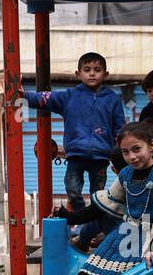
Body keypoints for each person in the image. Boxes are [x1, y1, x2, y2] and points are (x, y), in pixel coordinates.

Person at [50, 122, 153, 275]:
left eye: (137, 149)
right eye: (126, 152)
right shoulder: (126, 175)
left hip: (151, 236)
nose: (132, 156)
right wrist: (69, 217)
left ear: (152, 145)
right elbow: (102, 206)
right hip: (124, 235)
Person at [24, 52, 126, 210]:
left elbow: (120, 128)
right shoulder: (70, 96)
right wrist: (24, 96)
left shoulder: (113, 99)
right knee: (72, 189)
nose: (92, 73)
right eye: (87, 69)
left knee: (98, 194)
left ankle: (94, 223)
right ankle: (81, 214)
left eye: (97, 69)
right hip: (75, 155)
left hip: (101, 157)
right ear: (78, 74)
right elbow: (45, 98)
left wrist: (121, 152)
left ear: (105, 74)